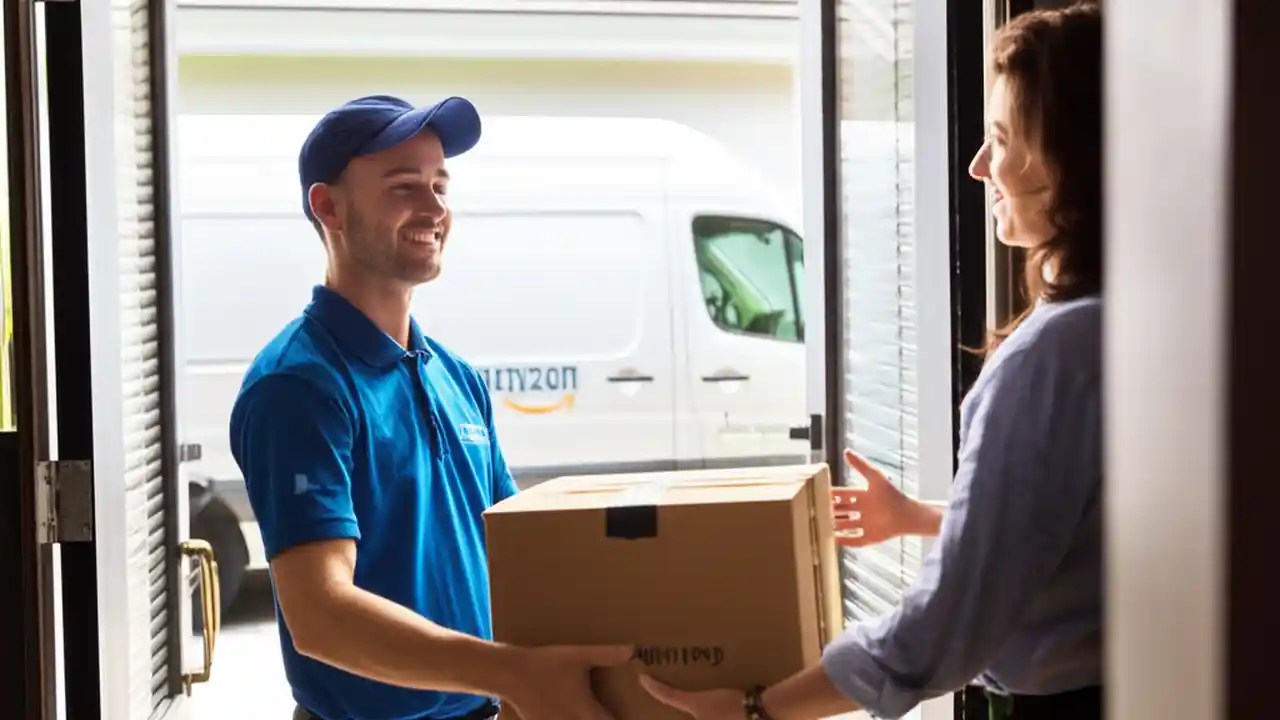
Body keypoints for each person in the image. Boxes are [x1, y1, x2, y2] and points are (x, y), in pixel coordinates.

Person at [641, 3, 1104, 719]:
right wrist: (924, 517)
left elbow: (944, 626)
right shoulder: (1144, 326)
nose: (980, 166)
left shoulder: (1056, 354)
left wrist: (758, 708)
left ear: (1072, 162)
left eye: (1002, 138)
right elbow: (1078, 527)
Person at [228, 94, 631, 720]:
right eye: (403, 186)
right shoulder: (300, 386)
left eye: (441, 183)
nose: (435, 206)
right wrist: (517, 675)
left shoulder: (457, 377)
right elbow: (322, 616)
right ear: (328, 206)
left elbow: (516, 557)